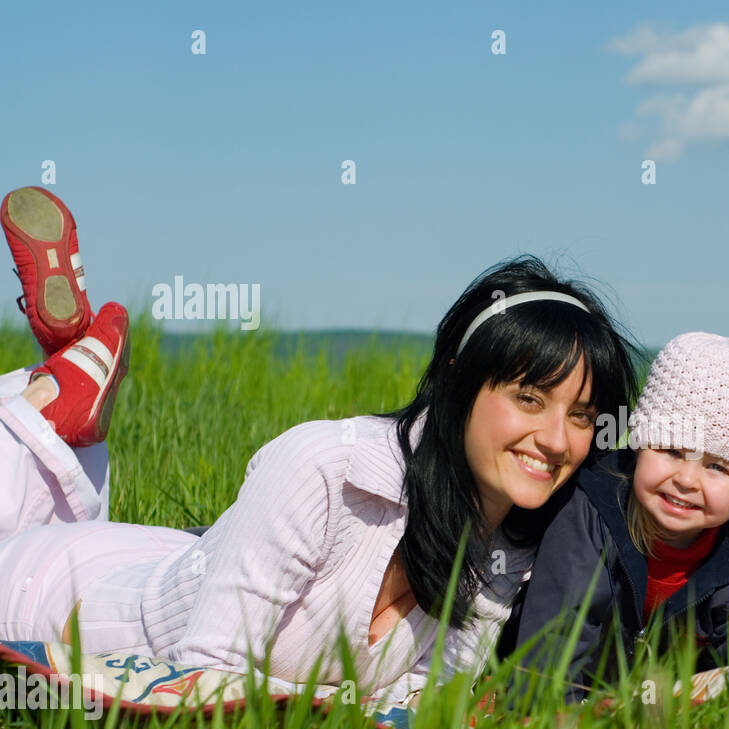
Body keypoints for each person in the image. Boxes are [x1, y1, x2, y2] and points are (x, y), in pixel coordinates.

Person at [0, 184, 640, 698]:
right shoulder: (329, 470)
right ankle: (46, 401)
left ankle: (64, 385)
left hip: (163, 555)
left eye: (582, 415)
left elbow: (425, 702)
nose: (557, 439)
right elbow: (208, 676)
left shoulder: (512, 543)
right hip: (57, 595)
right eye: (528, 399)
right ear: (458, 382)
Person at [511, 332, 729, 702]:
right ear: (640, 444)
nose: (686, 479)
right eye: (672, 450)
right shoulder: (590, 514)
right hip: (572, 715)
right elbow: (551, 649)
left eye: (717, 467)